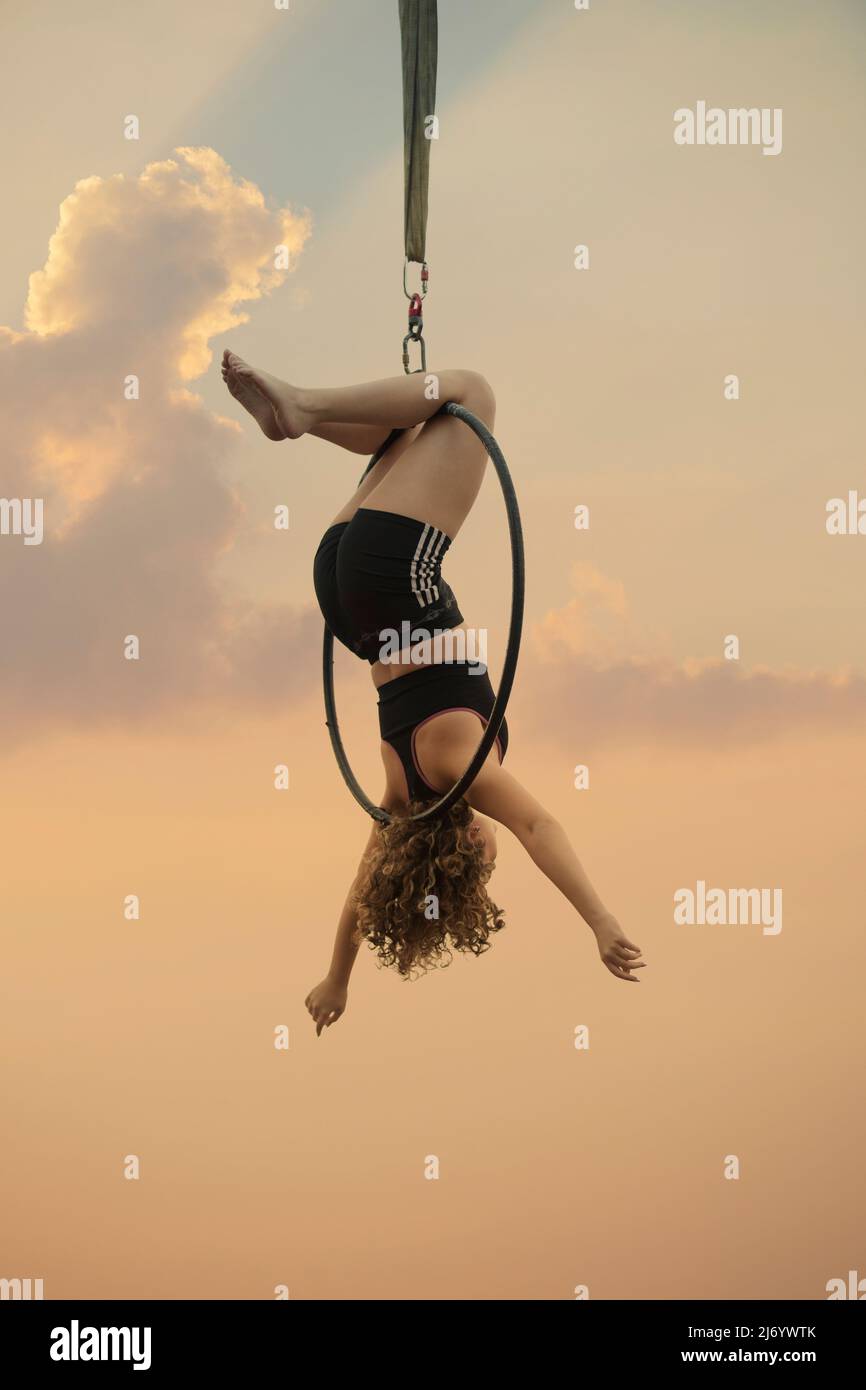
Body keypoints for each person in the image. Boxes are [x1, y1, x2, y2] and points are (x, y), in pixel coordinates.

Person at [221, 351, 647, 1031]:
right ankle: (297, 416)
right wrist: (337, 979)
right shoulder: (396, 799)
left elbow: (539, 828)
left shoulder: (460, 774)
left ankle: (302, 408)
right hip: (346, 596)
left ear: (466, 850)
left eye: (483, 870)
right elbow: (363, 889)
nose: (493, 861)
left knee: (473, 394)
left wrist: (600, 922)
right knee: (417, 421)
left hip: (396, 583)